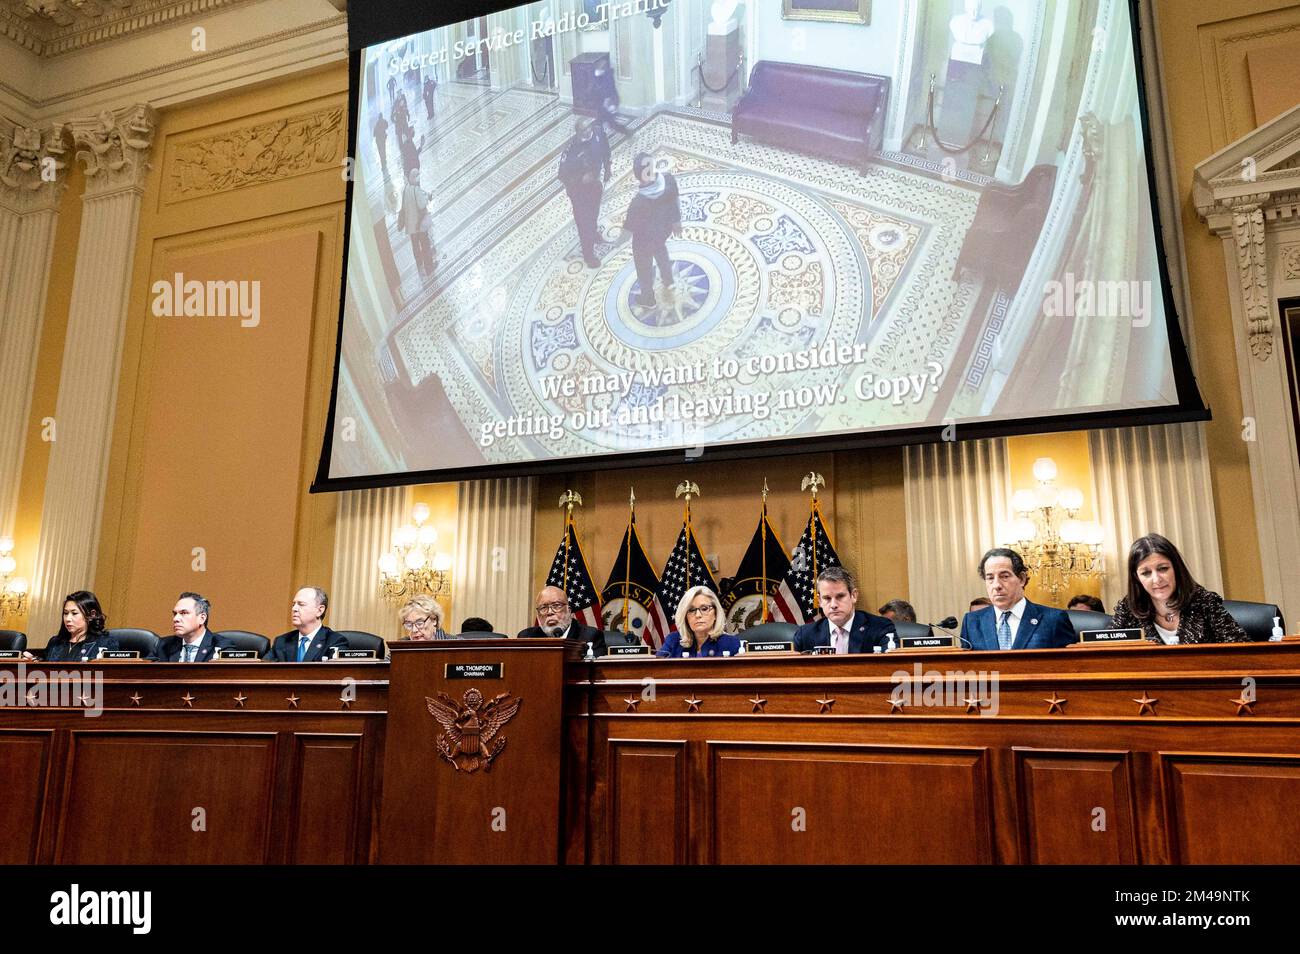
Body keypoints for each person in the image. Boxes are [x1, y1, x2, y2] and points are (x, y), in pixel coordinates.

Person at [1110, 534, 1249, 644]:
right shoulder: (1129, 610)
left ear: (1176, 568)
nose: (1156, 579)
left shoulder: (1203, 602)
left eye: (1163, 569)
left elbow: (1243, 650)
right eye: (1146, 573)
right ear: (1136, 577)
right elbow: (1106, 655)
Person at [959, 548, 1076, 650]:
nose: (996, 585)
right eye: (990, 578)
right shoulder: (972, 622)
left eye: (1004, 576)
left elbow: (1070, 667)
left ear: (1022, 579)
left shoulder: (1053, 620)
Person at [622, 152, 681, 308]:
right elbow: (674, 201)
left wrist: (617, 243)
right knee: (660, 250)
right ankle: (668, 281)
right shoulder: (668, 180)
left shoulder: (638, 202)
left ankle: (648, 298)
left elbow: (628, 228)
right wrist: (676, 221)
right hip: (662, 231)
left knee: (644, 267)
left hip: (644, 241)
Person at [793, 566, 896, 653]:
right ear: (819, 601)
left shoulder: (881, 628)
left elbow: (890, 669)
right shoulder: (805, 635)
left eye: (840, 596)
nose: (833, 605)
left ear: (853, 596)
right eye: (827, 598)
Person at [558, 117, 611, 269]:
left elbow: (606, 150)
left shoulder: (598, 133)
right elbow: (562, 175)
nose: (589, 131)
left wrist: (608, 167)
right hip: (578, 192)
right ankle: (588, 255)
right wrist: (581, 179)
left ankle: (593, 232)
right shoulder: (571, 150)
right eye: (584, 130)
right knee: (583, 222)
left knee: (594, 213)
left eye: (589, 127)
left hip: (594, 185)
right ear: (578, 133)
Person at [517, 585, 606, 656]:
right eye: (543, 607)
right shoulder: (527, 638)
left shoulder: (591, 637)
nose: (550, 612)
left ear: (569, 610)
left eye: (556, 606)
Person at [266, 587, 349, 661]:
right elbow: (262, 671)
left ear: (319, 610)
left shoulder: (335, 642)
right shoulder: (282, 641)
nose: (294, 609)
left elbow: (336, 674)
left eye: (301, 604)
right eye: (293, 604)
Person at [656, 586, 740, 658]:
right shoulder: (673, 641)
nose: (698, 615)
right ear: (685, 617)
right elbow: (655, 671)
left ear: (716, 614)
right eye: (691, 610)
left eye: (704, 609)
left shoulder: (731, 644)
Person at [149, 592, 233, 662]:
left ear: (202, 618)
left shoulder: (221, 647)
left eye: (184, 613)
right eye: (175, 614)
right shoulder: (163, 646)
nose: (175, 619)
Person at [43, 591, 119, 662]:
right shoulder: (55, 642)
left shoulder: (105, 643)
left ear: (92, 615)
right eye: (66, 613)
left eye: (74, 613)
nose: (68, 619)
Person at [398, 166, 436, 279]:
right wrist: (428, 197)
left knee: (415, 246)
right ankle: (429, 267)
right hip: (419, 225)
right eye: (417, 176)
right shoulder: (416, 190)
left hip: (410, 227)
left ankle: (419, 264)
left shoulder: (405, 189)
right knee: (425, 245)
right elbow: (422, 204)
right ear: (414, 178)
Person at [372, 111, 390, 180]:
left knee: (380, 152)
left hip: (378, 141)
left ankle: (383, 164)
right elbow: (387, 126)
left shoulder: (376, 124)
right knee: (384, 150)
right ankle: (384, 161)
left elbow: (374, 134)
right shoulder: (384, 121)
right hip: (383, 139)